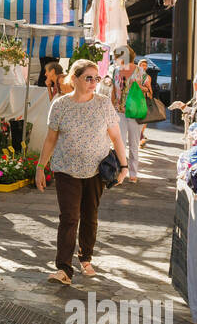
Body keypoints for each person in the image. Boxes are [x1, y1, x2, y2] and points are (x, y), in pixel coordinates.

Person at [34, 59, 129, 285]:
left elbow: (116, 137)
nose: (93, 83)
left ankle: (85, 257)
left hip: (96, 170)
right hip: (65, 169)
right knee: (69, 217)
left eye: (96, 78)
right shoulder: (60, 105)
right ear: (74, 78)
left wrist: (124, 167)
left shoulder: (103, 104)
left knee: (89, 216)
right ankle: (64, 268)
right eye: (88, 78)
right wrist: (40, 167)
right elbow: (50, 139)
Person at [110, 49, 152, 184]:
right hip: (119, 112)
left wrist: (141, 87)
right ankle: (119, 171)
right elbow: (112, 90)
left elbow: (150, 92)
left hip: (135, 112)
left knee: (134, 144)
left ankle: (133, 173)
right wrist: (110, 109)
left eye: (117, 57)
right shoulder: (116, 71)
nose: (116, 59)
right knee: (118, 143)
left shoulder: (140, 72)